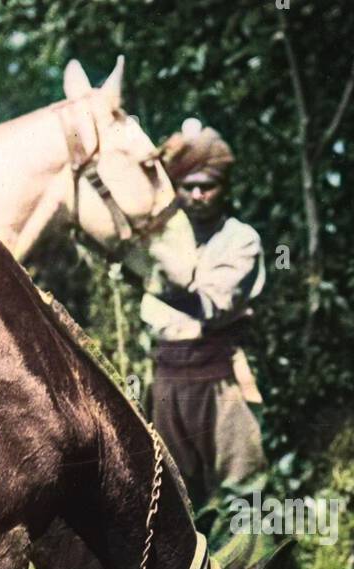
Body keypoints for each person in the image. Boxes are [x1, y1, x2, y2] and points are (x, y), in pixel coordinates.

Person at [143, 119, 267, 509]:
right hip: (166, 381)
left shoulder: (240, 239)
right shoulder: (161, 242)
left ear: (223, 188)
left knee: (244, 494)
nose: (197, 195)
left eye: (207, 186)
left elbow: (210, 307)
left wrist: (143, 277)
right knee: (174, 500)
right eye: (188, 186)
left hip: (220, 380)